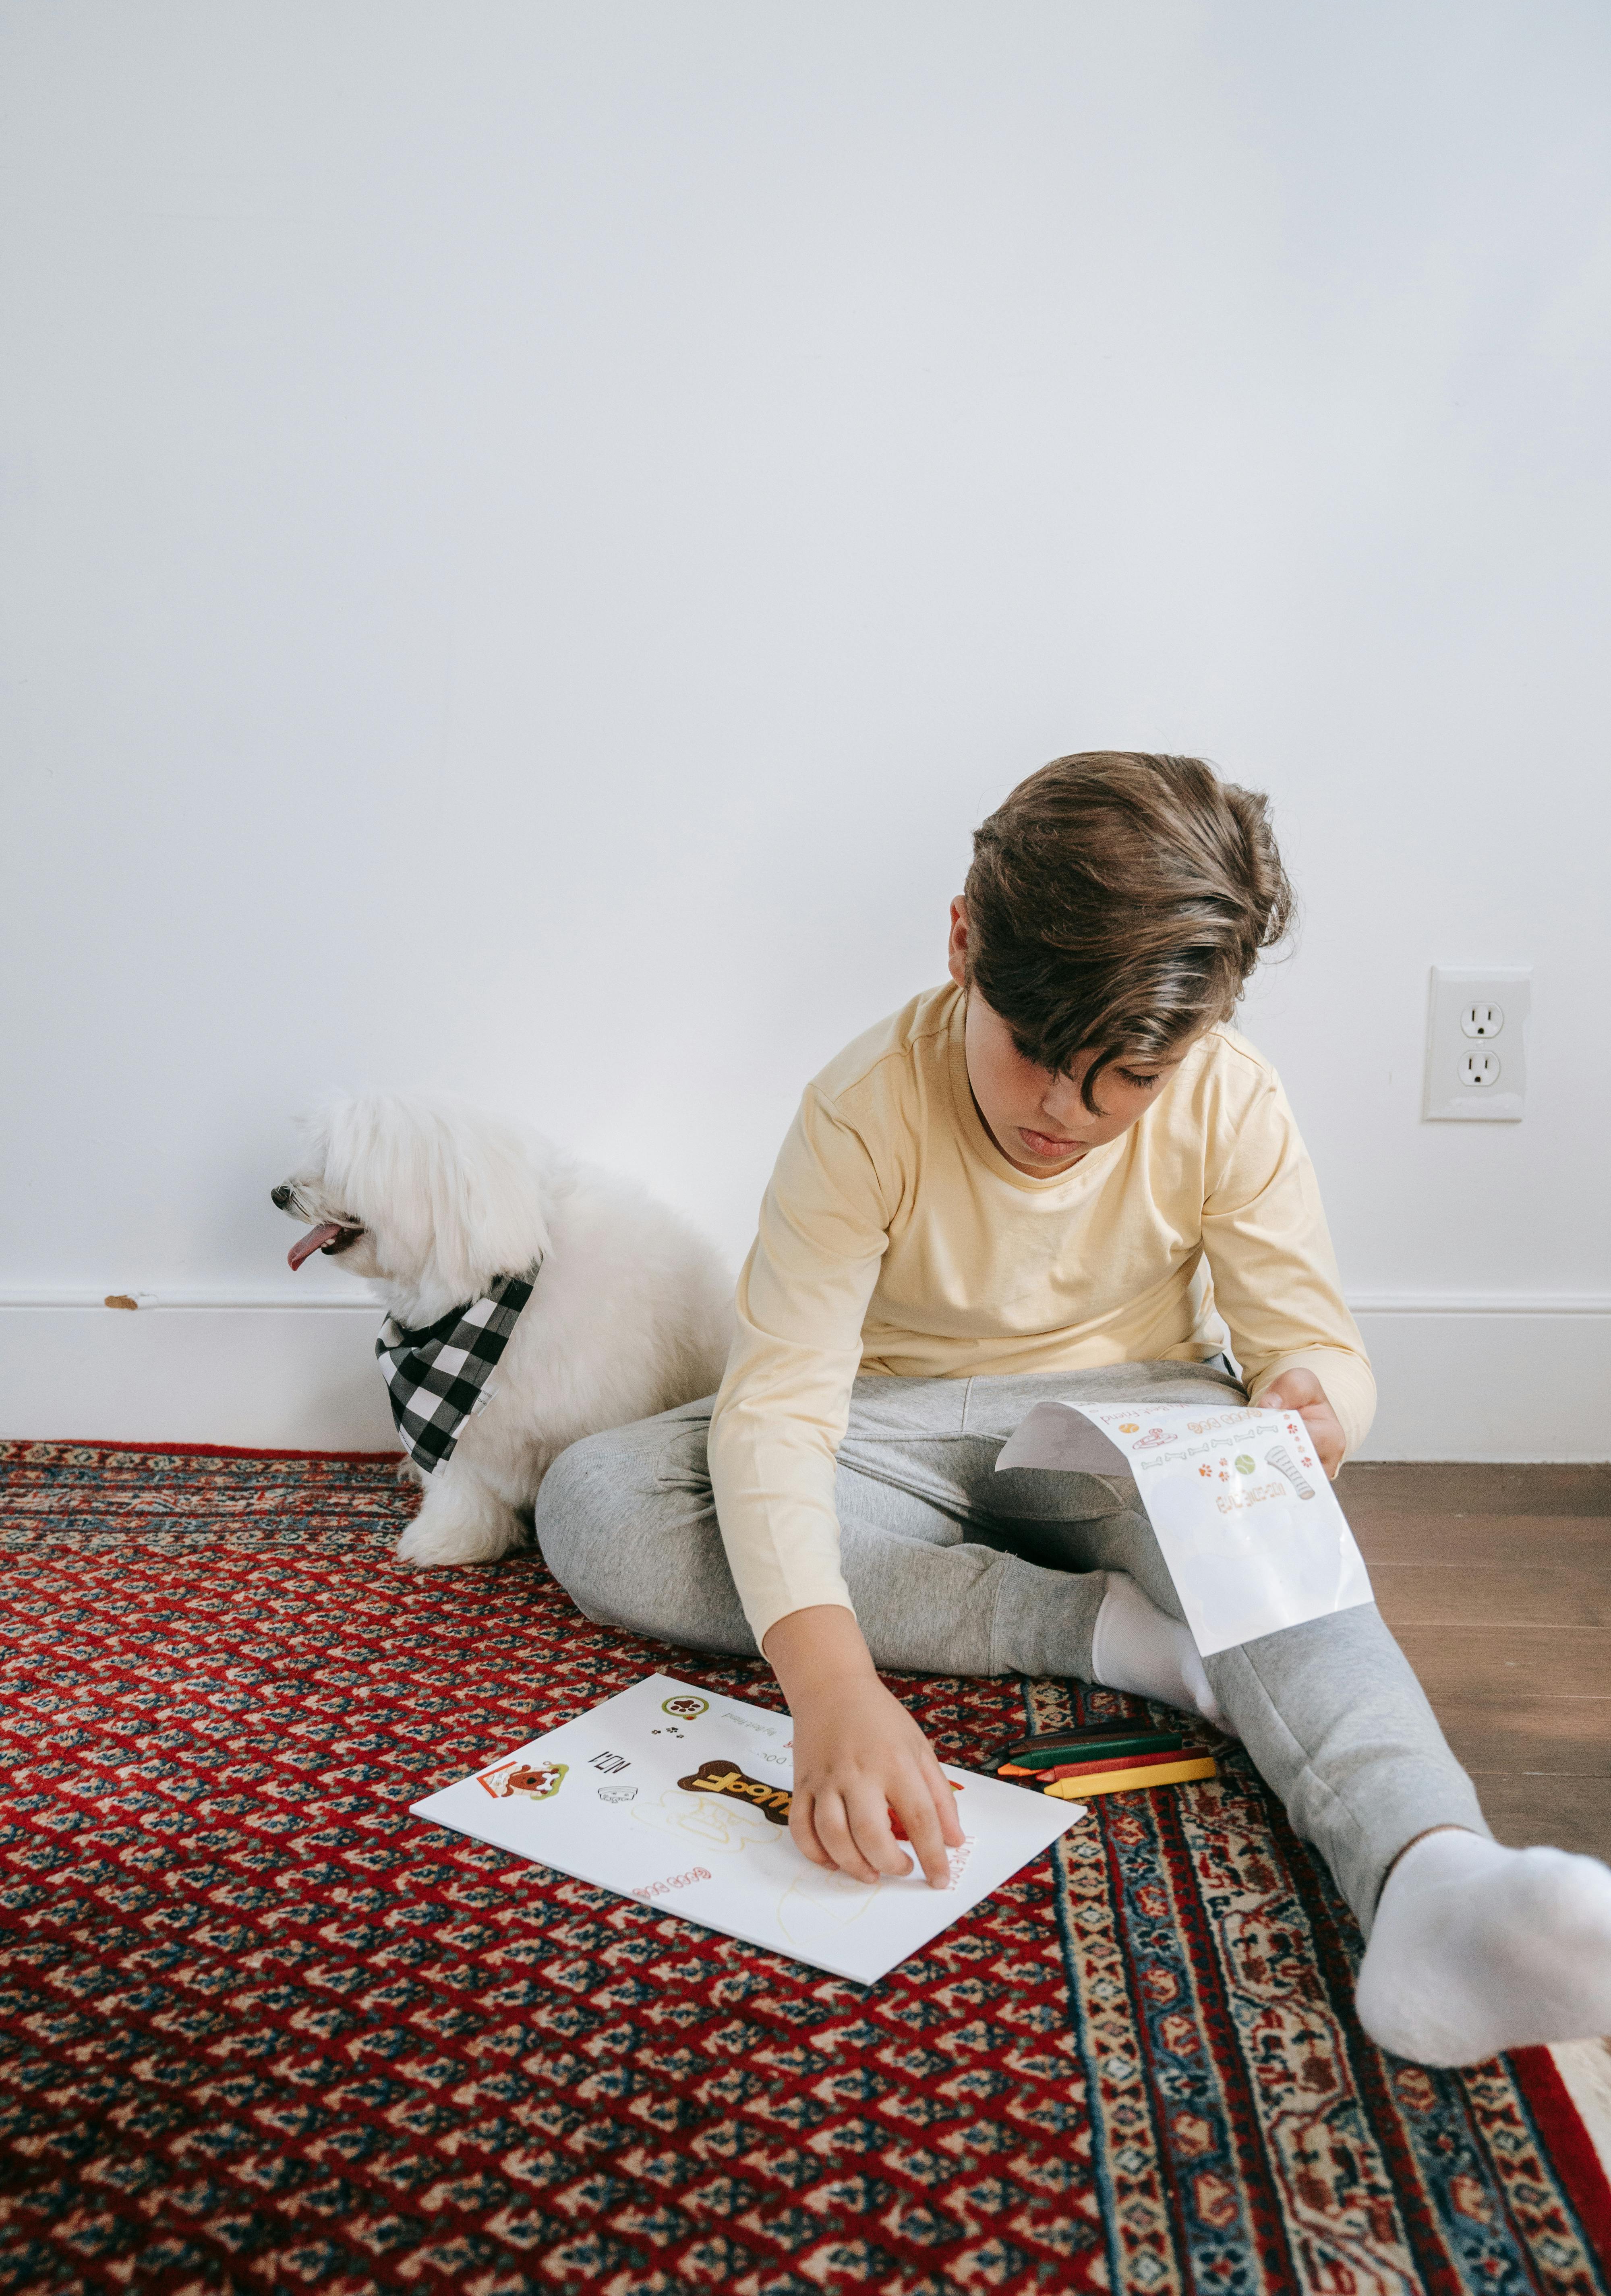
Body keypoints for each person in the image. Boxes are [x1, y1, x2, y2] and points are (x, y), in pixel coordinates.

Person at [540, 751, 1611, 2068]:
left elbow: (1315, 1343)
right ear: (961, 946)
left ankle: (1432, 1880)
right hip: (892, 1426)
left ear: (1195, 1042)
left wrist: (1312, 1411)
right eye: (1036, 1053)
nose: (1069, 1112)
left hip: (1135, 1424)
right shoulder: (863, 1108)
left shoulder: (1231, 1099)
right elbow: (778, 1410)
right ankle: (1123, 1641)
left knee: (1279, 1561)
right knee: (598, 1501)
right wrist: (829, 1686)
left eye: (1130, 1081)